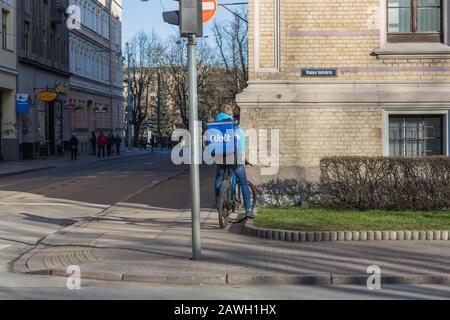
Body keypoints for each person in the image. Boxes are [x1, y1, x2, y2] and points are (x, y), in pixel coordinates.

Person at [214, 104, 254, 219]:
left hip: (220, 156)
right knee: (243, 182)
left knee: (219, 178)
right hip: (234, 157)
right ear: (231, 114)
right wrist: (242, 157)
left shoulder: (215, 125)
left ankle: (219, 203)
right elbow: (240, 142)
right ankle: (248, 210)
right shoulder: (235, 125)